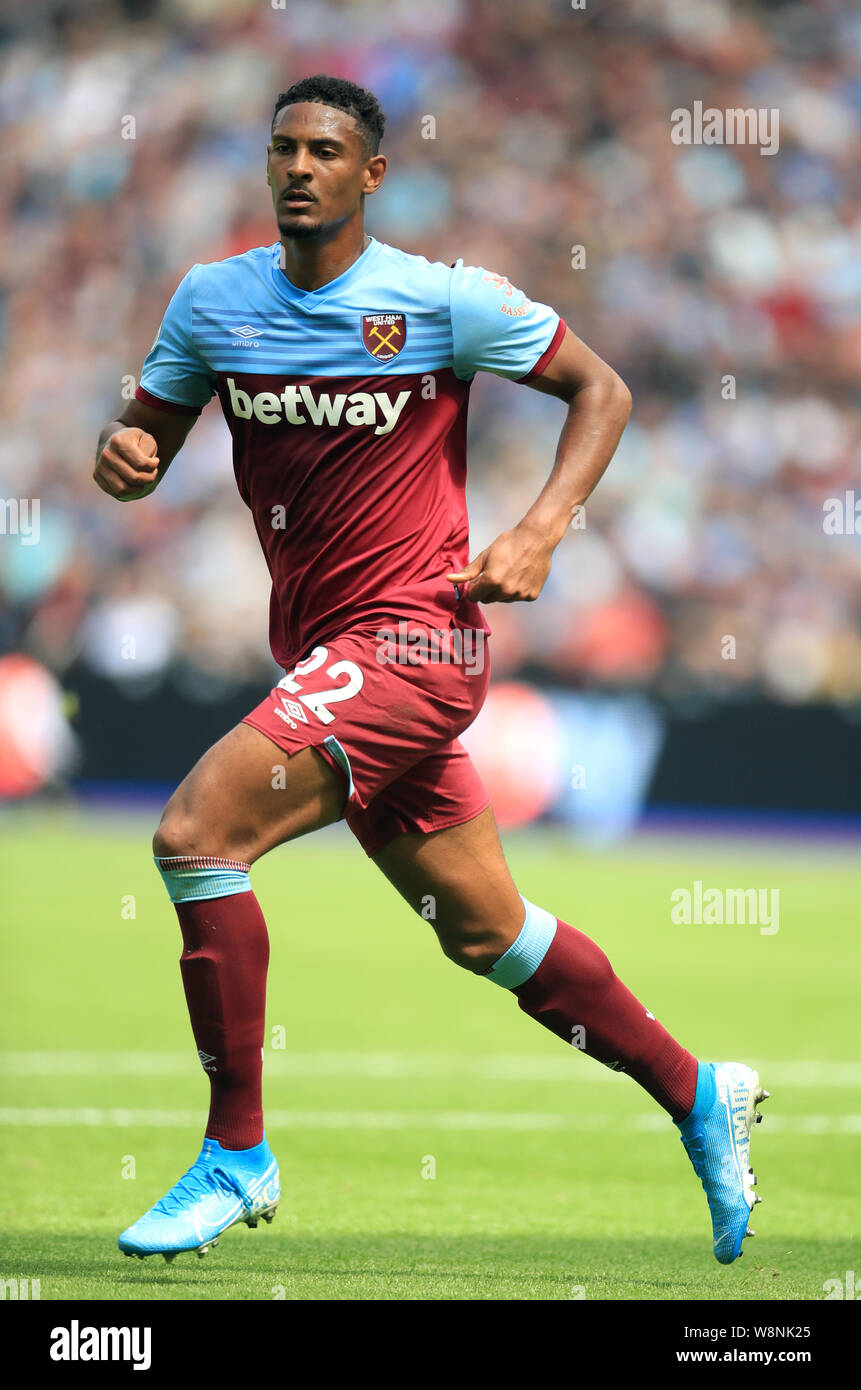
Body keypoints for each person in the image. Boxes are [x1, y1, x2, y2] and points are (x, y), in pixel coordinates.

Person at [94, 74, 767, 1267]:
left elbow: (599, 391)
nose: (299, 168)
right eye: (284, 149)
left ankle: (237, 1152)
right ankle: (698, 1089)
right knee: (487, 931)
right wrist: (130, 453)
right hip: (323, 648)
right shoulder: (212, 303)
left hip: (417, 640)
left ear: (372, 175)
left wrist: (540, 528)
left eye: (325, 152)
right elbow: (149, 434)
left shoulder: (440, 301)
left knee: (199, 832)